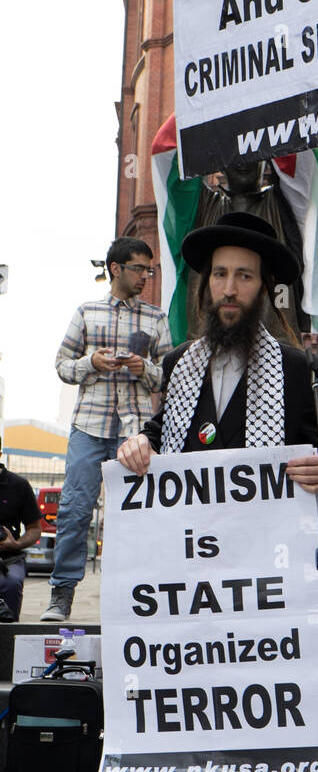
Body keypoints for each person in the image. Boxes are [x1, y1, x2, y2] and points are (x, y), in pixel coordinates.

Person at [116, 212, 318, 772]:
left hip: (265, 596)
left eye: (244, 276)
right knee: (193, 723)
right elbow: (157, 449)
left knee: (258, 730)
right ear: (205, 283)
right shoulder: (178, 364)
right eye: (219, 274)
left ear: (263, 288)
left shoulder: (299, 369)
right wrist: (137, 451)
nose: (229, 288)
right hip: (188, 594)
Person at [43, 239, 171, 622]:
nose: (146, 277)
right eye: (139, 269)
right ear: (115, 268)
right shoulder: (87, 312)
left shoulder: (156, 319)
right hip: (89, 424)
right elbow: (62, 365)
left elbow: (170, 375)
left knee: (136, 513)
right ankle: (61, 594)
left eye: (150, 270)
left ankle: (133, 596)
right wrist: (91, 362)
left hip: (134, 427)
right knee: (73, 508)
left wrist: (142, 369)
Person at [0, 437, 42, 622]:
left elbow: (34, 529)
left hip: (9, 557)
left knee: (11, 582)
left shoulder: (18, 485)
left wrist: (15, 543)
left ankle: (8, 640)